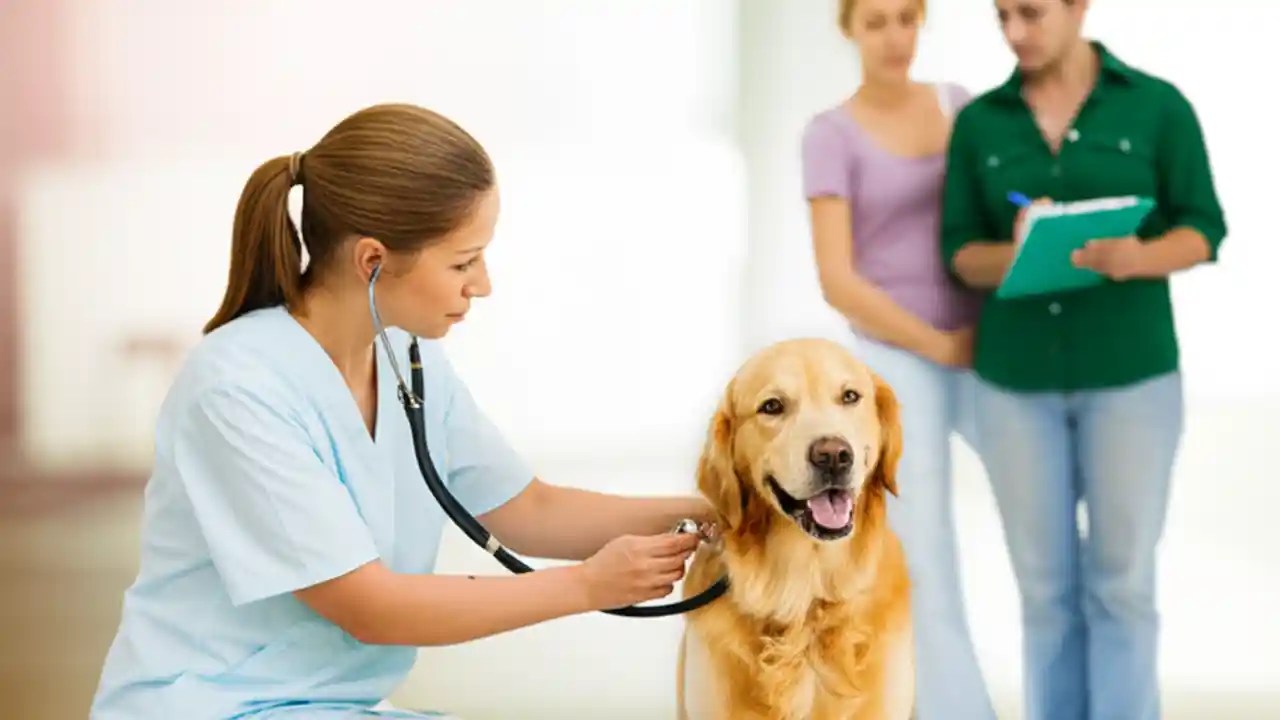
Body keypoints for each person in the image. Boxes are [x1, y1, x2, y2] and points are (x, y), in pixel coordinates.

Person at [90, 103, 715, 720]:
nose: (484, 284)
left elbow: (528, 509)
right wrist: (586, 587)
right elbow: (370, 607)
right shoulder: (237, 389)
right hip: (207, 706)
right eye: (463, 262)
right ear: (372, 261)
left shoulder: (408, 361)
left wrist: (719, 515)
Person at [940, 1, 1227, 719]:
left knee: (1123, 583)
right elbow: (960, 253)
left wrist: (1136, 257)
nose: (1015, 31)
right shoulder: (980, 124)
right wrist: (1025, 247)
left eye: (1031, 12)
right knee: (1044, 591)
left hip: (1132, 377)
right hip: (1014, 384)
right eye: (1001, 15)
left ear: (1077, 7)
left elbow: (1203, 229)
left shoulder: (1158, 106)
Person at [799, 1, 996, 718]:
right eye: (876, 21)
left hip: (986, 343)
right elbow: (838, 280)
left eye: (907, 19)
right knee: (925, 548)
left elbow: (997, 214)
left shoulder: (963, 110)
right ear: (848, 28)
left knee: (1044, 525)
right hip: (898, 355)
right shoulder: (830, 135)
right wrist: (938, 344)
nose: (895, 37)